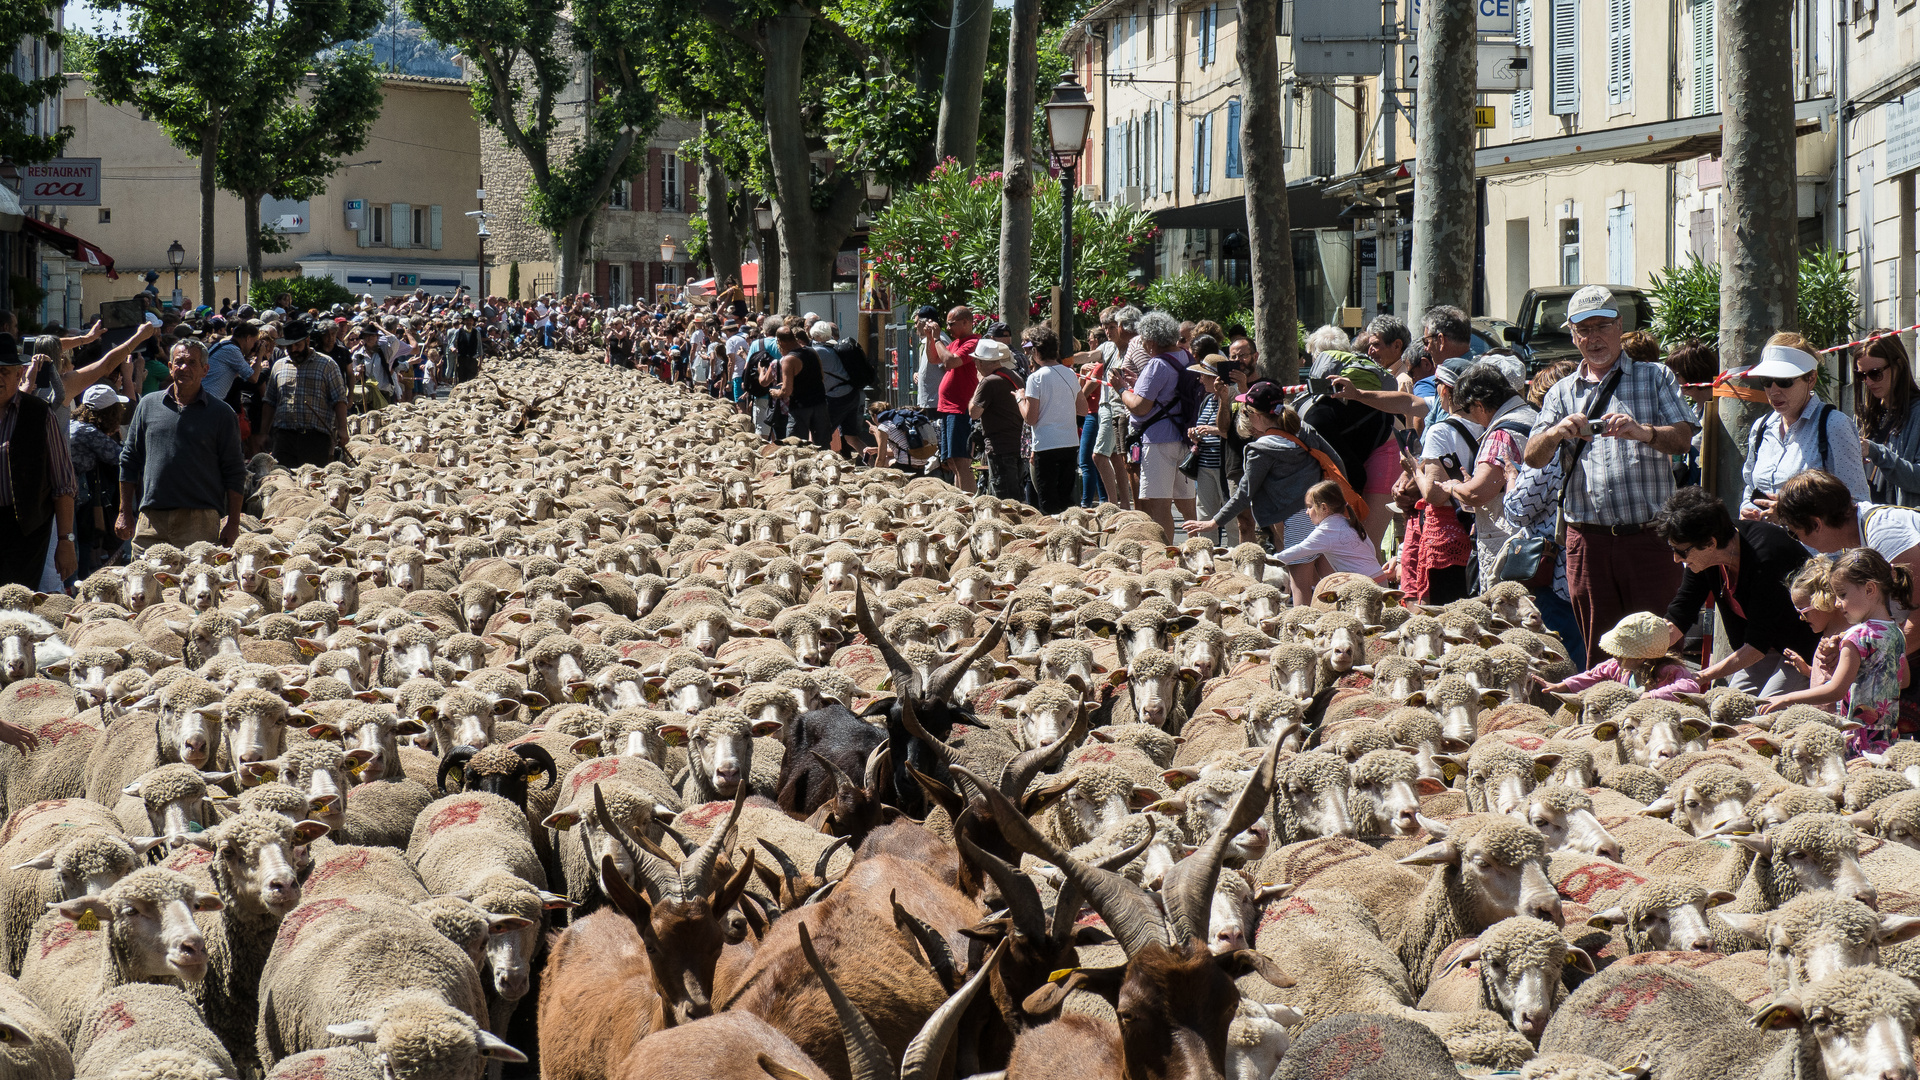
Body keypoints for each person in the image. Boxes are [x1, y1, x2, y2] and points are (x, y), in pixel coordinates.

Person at [1523, 285, 1697, 662]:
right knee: (1600, 650)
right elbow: (1532, 457)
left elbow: (1684, 439)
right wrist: (1555, 433)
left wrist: (1643, 432)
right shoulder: (1561, 392)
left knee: (1660, 649)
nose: (1593, 338)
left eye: (1602, 326)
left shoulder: (1655, 377)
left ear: (1620, 326)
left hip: (1649, 538)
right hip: (1589, 541)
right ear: (1572, 334)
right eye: (1583, 330)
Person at [1654, 485, 1816, 697]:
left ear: (1710, 543)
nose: (1677, 559)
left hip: (1802, 649)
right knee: (1726, 710)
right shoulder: (1703, 557)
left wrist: (1700, 677)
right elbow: (1680, 612)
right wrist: (1645, 650)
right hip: (1761, 649)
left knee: (1765, 710)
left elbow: (1757, 644)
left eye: (1680, 551)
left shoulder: (1766, 557)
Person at [1759, 548, 1909, 755]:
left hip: (1856, 740)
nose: (1837, 603)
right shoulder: (1896, 632)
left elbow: (1836, 690)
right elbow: (1904, 680)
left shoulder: (1855, 636)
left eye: (1842, 594)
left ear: (1869, 589)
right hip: (1886, 740)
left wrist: (1787, 698)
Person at [116, 340, 246, 553]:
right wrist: (124, 512)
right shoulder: (148, 405)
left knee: (196, 583)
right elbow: (129, 459)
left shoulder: (221, 414)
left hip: (199, 522)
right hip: (151, 520)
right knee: (143, 583)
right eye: (179, 362)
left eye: (192, 363)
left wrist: (233, 523)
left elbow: (235, 471)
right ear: (170, 367)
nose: (184, 368)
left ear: (205, 370)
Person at [1183, 381, 1341, 552]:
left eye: (1246, 412)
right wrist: (1340, 502)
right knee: (1325, 572)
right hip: (1322, 511)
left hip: (1290, 519)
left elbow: (1244, 493)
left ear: (1256, 416)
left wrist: (1214, 522)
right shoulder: (1304, 429)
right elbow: (1336, 462)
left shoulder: (1260, 449)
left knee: (1299, 573)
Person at [1740, 333, 1868, 518]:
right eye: (1767, 381)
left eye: (1784, 381)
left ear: (1811, 379)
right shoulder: (1761, 427)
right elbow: (1750, 489)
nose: (1774, 391)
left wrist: (1790, 515)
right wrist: (1747, 512)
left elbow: (1857, 504)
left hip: (1812, 547)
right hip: (1764, 544)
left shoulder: (1835, 425)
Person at [1436, 361, 1538, 590]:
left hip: (1508, 541)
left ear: (1480, 405)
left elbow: (1478, 492)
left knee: (1505, 613)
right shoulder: (1532, 415)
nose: (1470, 418)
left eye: (1468, 410)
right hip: (1535, 535)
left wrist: (1452, 487)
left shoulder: (1501, 434)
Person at [1115, 312, 1198, 544]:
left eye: (1143, 340)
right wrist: (1137, 383)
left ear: (1151, 341)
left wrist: (1121, 389)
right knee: (1187, 505)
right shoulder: (1187, 358)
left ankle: (1166, 554)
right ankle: (1198, 549)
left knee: (1159, 505)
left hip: (1157, 440)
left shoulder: (1156, 364)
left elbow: (1140, 407)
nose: (1142, 345)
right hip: (1183, 436)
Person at [1402, 357, 1478, 604]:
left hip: (1447, 533)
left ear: (1444, 389)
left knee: (1445, 614)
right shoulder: (1487, 422)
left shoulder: (1441, 430)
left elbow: (1434, 494)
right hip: (1478, 528)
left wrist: (1414, 469)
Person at [0, 345, 77, 589]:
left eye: (4, 372)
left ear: (19, 374)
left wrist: (65, 540)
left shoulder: (38, 413)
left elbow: (63, 482)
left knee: (15, 605)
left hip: (24, 530)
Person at [1540, 612, 1704, 702]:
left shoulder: (1668, 671)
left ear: (1640, 656)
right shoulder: (1619, 667)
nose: (1614, 656)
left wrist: (1651, 696)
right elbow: (1593, 675)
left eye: (1621, 652)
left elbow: (1690, 687)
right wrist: (1561, 686)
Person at [1274, 480, 1385, 605]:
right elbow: (1371, 550)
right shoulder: (1350, 523)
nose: (1307, 512)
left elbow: (1300, 550)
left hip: (1361, 586)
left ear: (1324, 508)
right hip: (1380, 579)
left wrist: (1271, 560)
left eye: (1310, 507)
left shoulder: (1325, 531)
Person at [259, 319, 349, 470]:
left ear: (307, 341)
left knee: (312, 485)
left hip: (315, 438)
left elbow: (339, 399)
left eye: (298, 345)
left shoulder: (327, 364)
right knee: (284, 483)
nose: (294, 349)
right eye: (289, 346)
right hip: (284, 436)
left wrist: (342, 428)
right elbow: (270, 401)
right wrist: (263, 433)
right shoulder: (279, 366)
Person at [1019, 324, 1080, 515]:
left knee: (1048, 503)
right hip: (1069, 443)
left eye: (1029, 350)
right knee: (1066, 501)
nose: (1028, 354)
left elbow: (1030, 417)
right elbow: (1083, 408)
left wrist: (1020, 398)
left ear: (1036, 351)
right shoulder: (1070, 373)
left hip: (1046, 445)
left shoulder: (1035, 378)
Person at [1855, 333, 1920, 506]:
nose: (1868, 382)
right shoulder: (1866, 415)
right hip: (1868, 521)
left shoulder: (1917, 414)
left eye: (1875, 374)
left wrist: (1875, 452)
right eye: (1862, 375)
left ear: (1898, 365)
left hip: (1906, 524)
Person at [925, 306, 981, 494]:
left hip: (961, 408)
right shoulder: (957, 342)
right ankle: (961, 501)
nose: (948, 328)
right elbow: (934, 358)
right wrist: (930, 338)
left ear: (966, 323)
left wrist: (938, 338)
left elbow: (950, 362)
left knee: (961, 460)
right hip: (949, 409)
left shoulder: (972, 342)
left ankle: (968, 501)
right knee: (952, 461)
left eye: (951, 324)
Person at [968, 339, 1024, 500]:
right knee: (1015, 495)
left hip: (1000, 448)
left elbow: (974, 412)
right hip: (1016, 445)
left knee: (1004, 499)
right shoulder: (1013, 375)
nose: (975, 365)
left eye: (976, 361)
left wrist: (979, 386)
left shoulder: (988, 382)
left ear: (981, 361)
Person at [1189, 356, 1234, 541]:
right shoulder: (1207, 400)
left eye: (1204, 375)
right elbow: (1202, 429)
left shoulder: (1232, 397)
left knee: (1231, 518)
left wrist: (1213, 430)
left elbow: (1236, 432)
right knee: (1205, 516)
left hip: (1225, 468)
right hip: (1205, 466)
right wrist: (1195, 436)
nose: (1200, 379)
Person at [770, 326, 828, 447]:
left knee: (796, 445)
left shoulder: (788, 359)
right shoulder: (812, 351)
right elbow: (821, 377)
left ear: (780, 341)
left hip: (800, 407)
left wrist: (776, 393)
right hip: (820, 403)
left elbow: (786, 391)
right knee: (822, 445)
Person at [454, 313, 481, 382]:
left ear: (473, 321)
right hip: (462, 359)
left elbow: (479, 347)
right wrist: (453, 348)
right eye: (467, 320)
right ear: (464, 322)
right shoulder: (458, 331)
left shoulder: (476, 332)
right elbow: (451, 344)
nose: (469, 322)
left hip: (473, 359)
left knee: (472, 380)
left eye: (470, 320)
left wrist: (480, 361)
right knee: (462, 380)